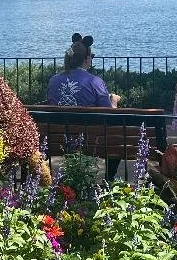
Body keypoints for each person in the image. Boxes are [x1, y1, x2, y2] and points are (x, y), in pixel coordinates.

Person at [47, 33, 122, 178]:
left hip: (57, 140)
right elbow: (109, 115)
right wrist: (113, 101)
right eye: (91, 57)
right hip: (92, 143)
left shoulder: (53, 81)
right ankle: (109, 178)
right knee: (116, 140)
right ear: (87, 59)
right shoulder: (95, 82)